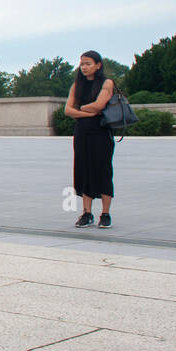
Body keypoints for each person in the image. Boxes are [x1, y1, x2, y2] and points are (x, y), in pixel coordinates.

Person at [64, 50, 116, 229]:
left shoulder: (106, 83)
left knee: (103, 171)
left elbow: (100, 105)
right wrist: (89, 112)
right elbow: (67, 110)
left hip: (101, 133)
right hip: (82, 133)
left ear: (98, 65)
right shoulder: (76, 85)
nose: (84, 67)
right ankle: (87, 213)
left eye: (88, 64)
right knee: (83, 170)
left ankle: (105, 213)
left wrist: (79, 109)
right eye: (82, 64)